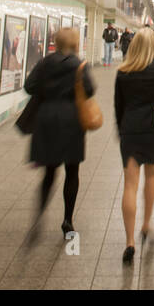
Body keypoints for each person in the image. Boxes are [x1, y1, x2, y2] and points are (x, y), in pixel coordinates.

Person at [113, 28, 154, 265]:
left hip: (129, 131)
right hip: (153, 131)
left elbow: (118, 107)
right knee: (150, 176)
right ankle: (146, 224)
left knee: (129, 184)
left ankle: (129, 241)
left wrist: (122, 130)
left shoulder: (123, 71)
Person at [23, 27, 94, 238]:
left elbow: (29, 86)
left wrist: (48, 91)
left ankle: (38, 217)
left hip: (46, 119)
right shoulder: (79, 65)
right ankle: (67, 221)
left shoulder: (45, 62)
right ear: (74, 43)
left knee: (49, 172)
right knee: (72, 172)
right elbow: (90, 90)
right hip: (72, 120)